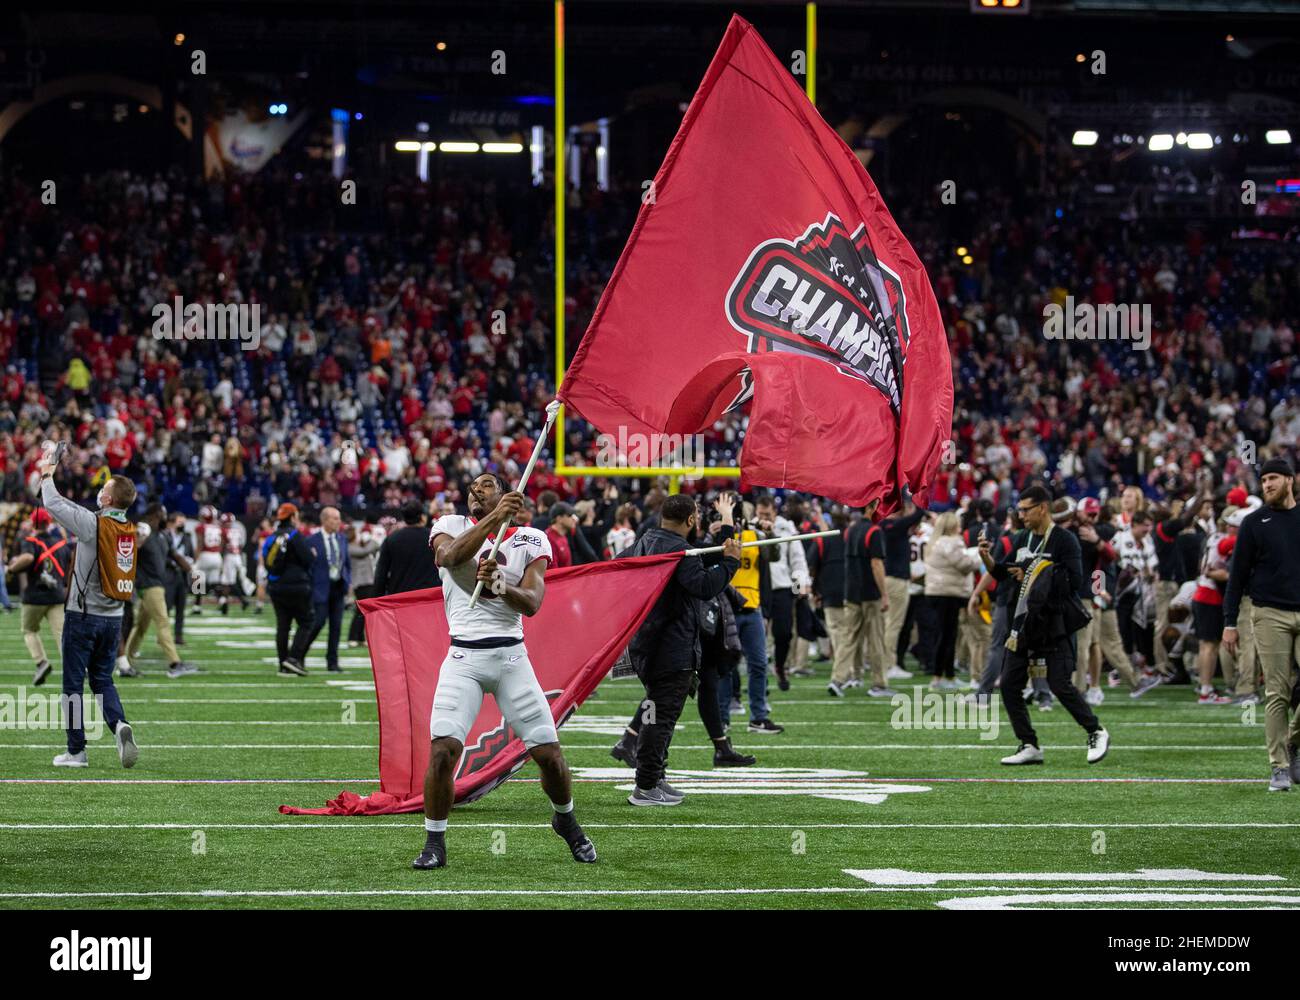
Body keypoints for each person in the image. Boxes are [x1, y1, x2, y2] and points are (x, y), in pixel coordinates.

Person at [415, 472, 597, 867]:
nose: (473, 491)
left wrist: (500, 586)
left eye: (485, 484)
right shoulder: (450, 525)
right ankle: (434, 840)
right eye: (471, 488)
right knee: (444, 750)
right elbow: (449, 558)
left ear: (506, 493)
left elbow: (531, 602)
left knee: (548, 754)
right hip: (463, 656)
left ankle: (565, 819)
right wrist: (495, 518)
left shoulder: (532, 538)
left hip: (511, 655)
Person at [615, 494, 742, 805]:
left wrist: (725, 538)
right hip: (670, 646)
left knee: (657, 715)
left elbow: (698, 562)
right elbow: (704, 586)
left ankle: (656, 776)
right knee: (660, 719)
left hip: (648, 644)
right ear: (690, 520)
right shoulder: (679, 551)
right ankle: (646, 786)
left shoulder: (647, 541)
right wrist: (731, 563)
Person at [980, 485, 1109, 766]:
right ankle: (1029, 744)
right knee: (1010, 685)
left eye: (1026, 509)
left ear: (1042, 508)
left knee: (1059, 684)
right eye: (1020, 509)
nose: (1021, 514)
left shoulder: (1065, 540)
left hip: (1055, 623)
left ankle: (1095, 731)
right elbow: (1004, 571)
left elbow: (1075, 581)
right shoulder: (1022, 536)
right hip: (1025, 622)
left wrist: (1034, 571)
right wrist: (988, 559)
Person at [37, 451, 139, 769]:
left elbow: (53, 504)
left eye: (104, 488)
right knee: (103, 680)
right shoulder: (131, 530)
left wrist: (46, 472)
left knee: (72, 685)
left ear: (107, 497)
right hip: (114, 618)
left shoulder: (93, 524)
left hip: (83, 616)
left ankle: (77, 751)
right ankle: (118, 724)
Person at [1221, 458, 1300, 792]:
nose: (1266, 484)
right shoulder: (1254, 522)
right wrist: (1229, 622)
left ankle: (1293, 740)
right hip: (1269, 613)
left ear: (1290, 480)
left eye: (1273, 478)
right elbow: (1236, 576)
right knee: (1277, 692)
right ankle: (1279, 766)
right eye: (1264, 479)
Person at [125, 504, 198, 678]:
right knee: (163, 622)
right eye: (162, 515)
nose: (164, 518)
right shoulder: (143, 532)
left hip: (156, 584)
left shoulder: (163, 536)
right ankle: (175, 663)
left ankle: (124, 660)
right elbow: (128, 553)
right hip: (149, 585)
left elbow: (175, 556)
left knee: (141, 626)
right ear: (153, 516)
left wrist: (192, 571)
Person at [7, 508, 70, 686]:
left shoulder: (29, 541)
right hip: (57, 595)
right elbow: (70, 565)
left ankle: (41, 662)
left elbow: (27, 558)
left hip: (34, 596)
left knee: (29, 630)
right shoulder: (61, 543)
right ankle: (75, 666)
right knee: (61, 634)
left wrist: (11, 569)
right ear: (48, 522)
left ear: (33, 523)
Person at [754, 495, 810, 691]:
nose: (764, 518)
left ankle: (779, 666)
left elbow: (797, 559)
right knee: (758, 634)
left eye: (767, 514)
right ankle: (761, 676)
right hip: (758, 587)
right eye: (760, 514)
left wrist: (800, 585)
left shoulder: (786, 527)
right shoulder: (750, 528)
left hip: (782, 586)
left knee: (784, 633)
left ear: (775, 513)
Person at [925, 512, 981, 691]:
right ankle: (940, 676)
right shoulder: (951, 542)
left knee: (945, 635)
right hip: (948, 593)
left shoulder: (935, 542)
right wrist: (980, 555)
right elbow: (964, 565)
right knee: (947, 636)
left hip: (937, 591)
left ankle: (945, 675)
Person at [262, 502, 317, 675]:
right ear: (293, 517)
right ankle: (293, 658)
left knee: (283, 626)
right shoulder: (294, 535)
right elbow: (308, 559)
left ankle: (282, 663)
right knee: (307, 622)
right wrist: (312, 554)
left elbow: (267, 563)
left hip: (276, 586)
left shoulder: (271, 537)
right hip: (297, 585)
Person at [306, 505, 350, 672]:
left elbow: (346, 563)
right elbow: (308, 566)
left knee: (336, 626)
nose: (338, 522)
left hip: (338, 586)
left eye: (338, 518)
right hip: (320, 587)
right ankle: (299, 654)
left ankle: (332, 661)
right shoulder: (312, 540)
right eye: (335, 518)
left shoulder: (341, 538)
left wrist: (348, 580)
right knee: (317, 623)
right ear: (324, 520)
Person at [373, 500, 440, 596]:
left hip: (400, 598)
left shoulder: (391, 539)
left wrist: (377, 599)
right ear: (422, 517)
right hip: (429, 597)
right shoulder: (434, 537)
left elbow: (381, 574)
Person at [346, 514, 386, 646]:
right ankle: (353, 636)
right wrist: (375, 540)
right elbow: (366, 551)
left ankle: (359, 637)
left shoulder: (357, 546)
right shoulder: (350, 548)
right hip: (361, 582)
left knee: (362, 610)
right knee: (361, 610)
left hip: (366, 581)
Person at [163, 512, 195, 642]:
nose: (182, 525)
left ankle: (178, 635)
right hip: (168, 574)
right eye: (180, 522)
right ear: (172, 522)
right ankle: (165, 636)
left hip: (182, 575)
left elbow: (191, 555)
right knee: (167, 607)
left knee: (181, 608)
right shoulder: (165, 535)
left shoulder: (187, 537)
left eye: (183, 523)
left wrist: (188, 562)